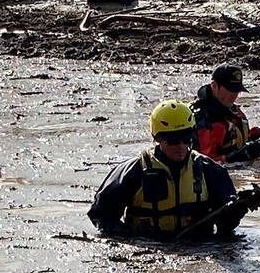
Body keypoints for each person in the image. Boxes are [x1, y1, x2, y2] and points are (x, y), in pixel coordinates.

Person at [88, 99, 248, 239]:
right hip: (149, 246)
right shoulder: (135, 170)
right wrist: (131, 239)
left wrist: (235, 212)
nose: (181, 147)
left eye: (186, 139)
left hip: (197, 246)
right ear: (157, 138)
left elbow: (227, 225)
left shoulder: (210, 170)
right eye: (172, 141)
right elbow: (101, 214)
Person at [191, 63, 260, 163]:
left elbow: (240, 137)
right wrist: (242, 155)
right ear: (214, 86)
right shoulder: (202, 119)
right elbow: (206, 163)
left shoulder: (232, 108)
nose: (235, 95)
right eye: (231, 89)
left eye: (237, 90)